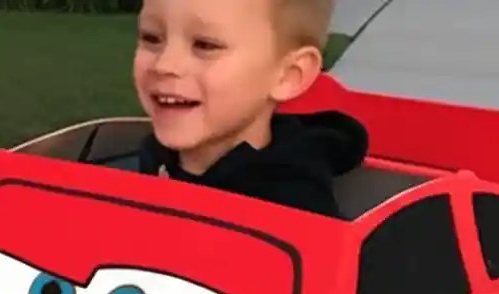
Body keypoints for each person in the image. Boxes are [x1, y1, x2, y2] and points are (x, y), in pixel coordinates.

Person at [132, 0, 369, 219]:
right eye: (151, 38)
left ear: (287, 75)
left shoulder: (296, 215)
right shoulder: (129, 161)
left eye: (205, 45)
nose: (164, 65)